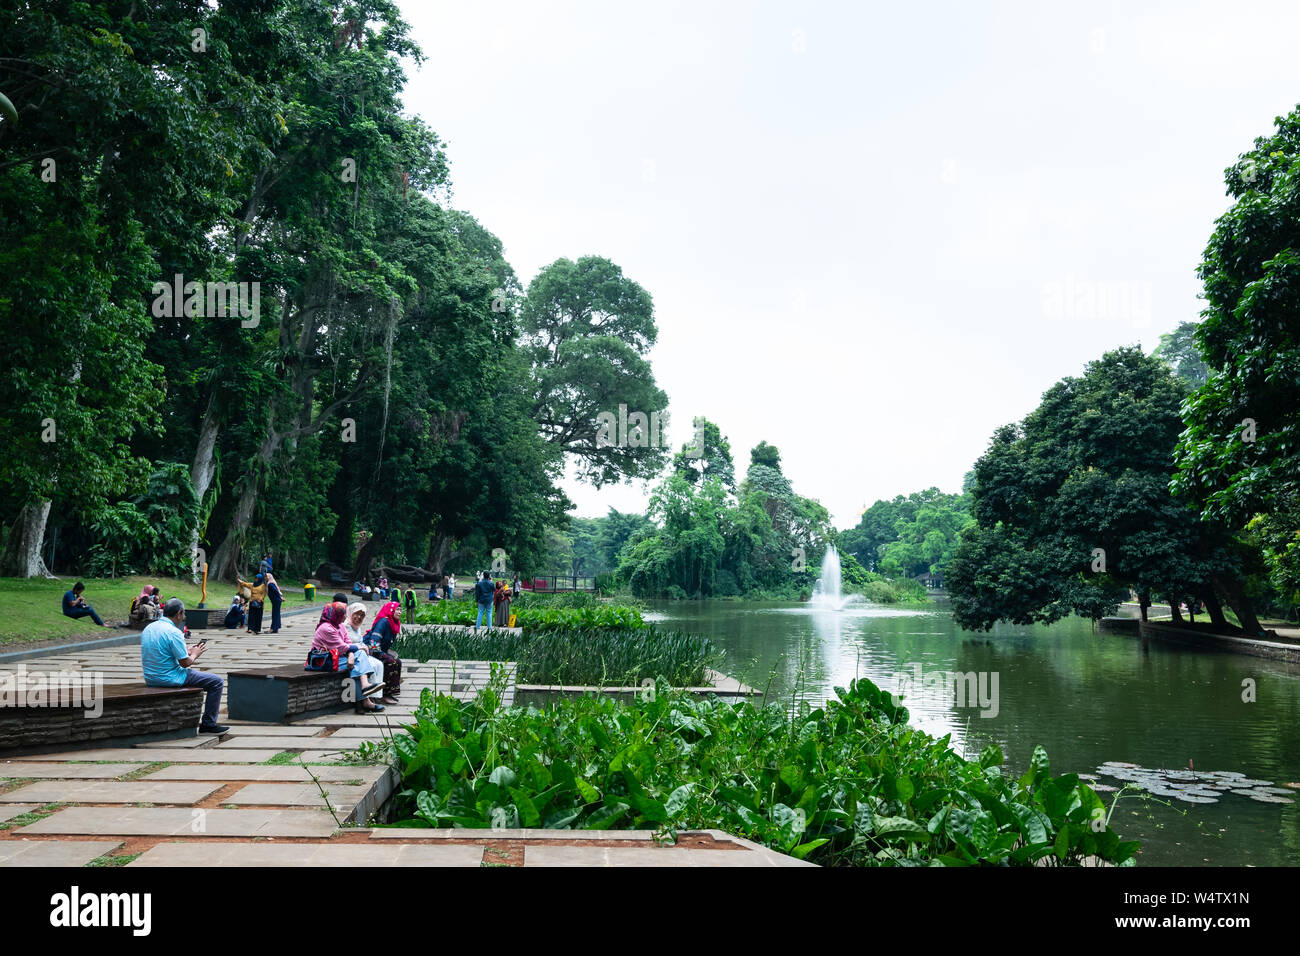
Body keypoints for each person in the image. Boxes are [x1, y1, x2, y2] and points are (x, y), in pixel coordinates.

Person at [141, 598, 228, 734]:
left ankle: (209, 723)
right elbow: (185, 663)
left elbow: (162, 651)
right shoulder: (174, 632)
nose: (184, 617)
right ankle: (208, 724)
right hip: (170, 678)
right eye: (184, 614)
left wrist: (186, 650)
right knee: (216, 682)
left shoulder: (149, 628)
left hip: (151, 677)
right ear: (179, 613)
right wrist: (195, 654)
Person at [311, 602, 384, 713]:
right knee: (359, 658)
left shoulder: (339, 624)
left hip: (337, 657)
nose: (346, 616)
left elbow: (347, 641)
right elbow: (341, 647)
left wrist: (351, 654)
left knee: (357, 663)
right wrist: (359, 648)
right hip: (323, 661)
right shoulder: (326, 628)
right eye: (343, 613)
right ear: (335, 614)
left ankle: (363, 700)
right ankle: (364, 698)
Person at [360, 600, 402, 702]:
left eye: (401, 610)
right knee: (390, 661)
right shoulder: (383, 622)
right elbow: (374, 644)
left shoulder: (394, 623)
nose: (400, 612)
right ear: (391, 610)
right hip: (370, 650)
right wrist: (384, 654)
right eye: (397, 610)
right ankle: (383, 693)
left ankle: (390, 691)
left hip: (379, 650)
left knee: (398, 661)